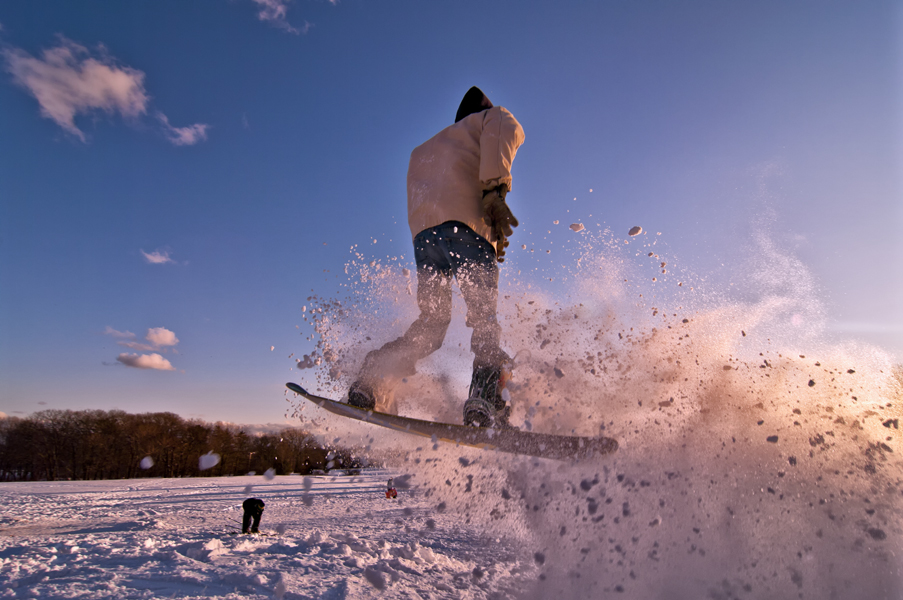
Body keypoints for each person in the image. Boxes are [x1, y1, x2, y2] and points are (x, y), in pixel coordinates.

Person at [348, 86, 525, 428]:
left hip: (425, 238)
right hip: (466, 230)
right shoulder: (492, 118)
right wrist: (494, 192)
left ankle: (369, 380)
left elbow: (435, 191)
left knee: (431, 324)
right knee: (484, 321)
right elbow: (504, 133)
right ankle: (483, 401)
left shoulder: (424, 149)